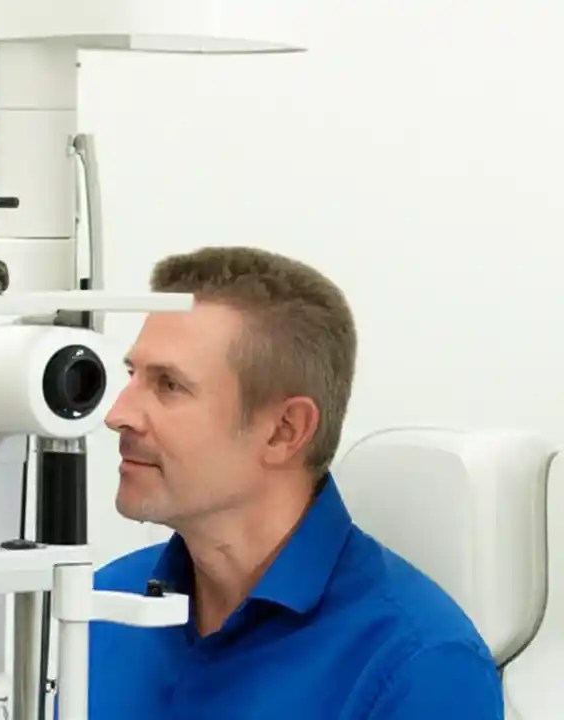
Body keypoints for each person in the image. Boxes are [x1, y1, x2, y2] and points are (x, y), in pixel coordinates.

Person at [89, 246, 502, 718]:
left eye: (169, 385)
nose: (118, 415)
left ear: (285, 431)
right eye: (132, 374)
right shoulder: (106, 608)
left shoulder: (420, 667)